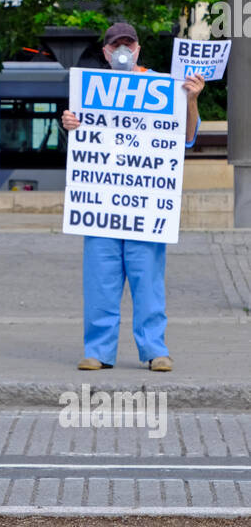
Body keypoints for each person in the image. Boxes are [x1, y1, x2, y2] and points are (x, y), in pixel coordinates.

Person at [62, 22, 204, 373]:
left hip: (145, 204)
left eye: (129, 44)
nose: (122, 51)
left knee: (148, 282)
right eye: (116, 46)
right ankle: (97, 351)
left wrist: (191, 101)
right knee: (100, 280)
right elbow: (80, 140)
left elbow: (186, 138)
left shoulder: (165, 86)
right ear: (106, 52)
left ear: (138, 49)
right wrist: (71, 124)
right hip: (102, 206)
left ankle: (155, 350)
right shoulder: (89, 88)